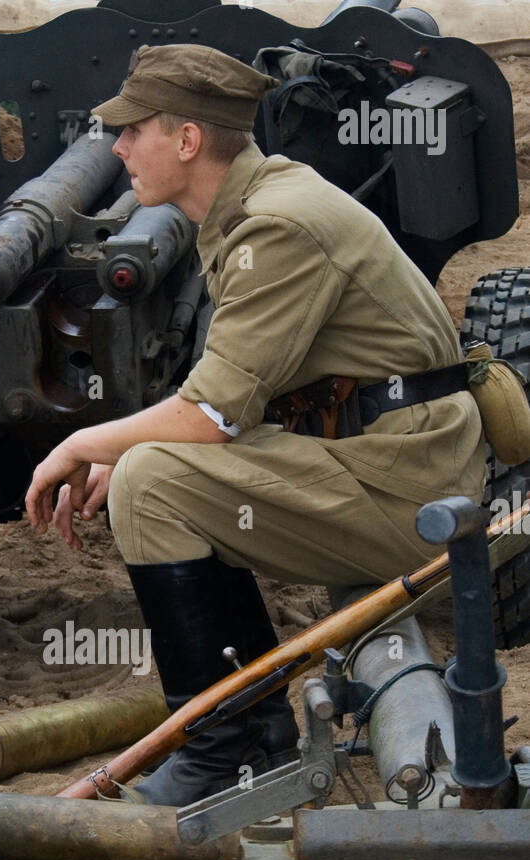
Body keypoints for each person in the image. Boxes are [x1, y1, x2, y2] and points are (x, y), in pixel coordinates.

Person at [24, 44, 487, 806]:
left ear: (187, 141)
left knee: (150, 484)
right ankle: (253, 733)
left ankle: (225, 746)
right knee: (149, 470)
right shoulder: (258, 206)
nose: (116, 147)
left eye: (133, 129)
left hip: (410, 493)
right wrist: (141, 442)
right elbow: (228, 396)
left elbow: (209, 417)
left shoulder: (279, 226)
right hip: (380, 461)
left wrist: (82, 441)